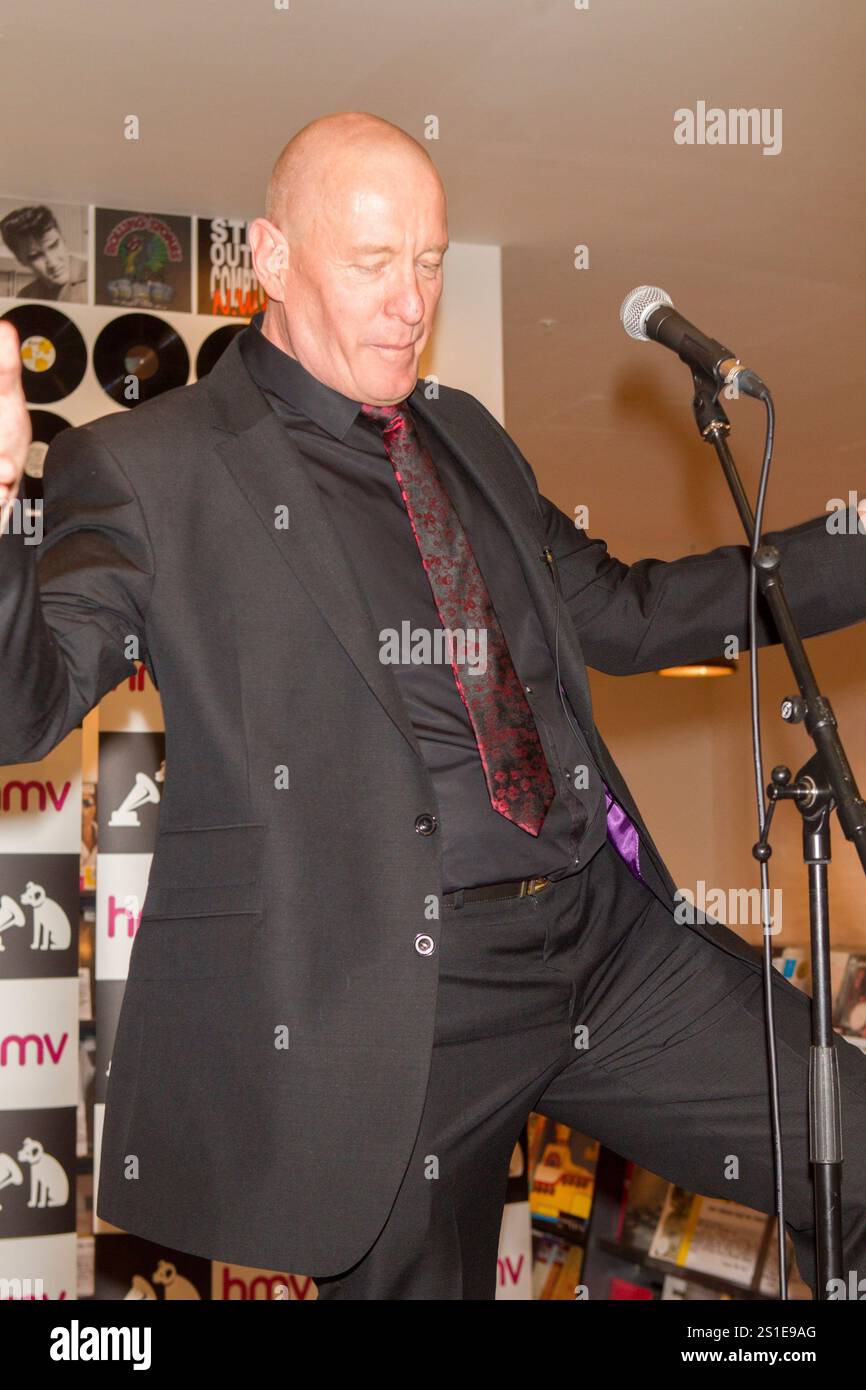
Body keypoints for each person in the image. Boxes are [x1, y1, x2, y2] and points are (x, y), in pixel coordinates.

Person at [1, 112, 865, 1301]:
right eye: (370, 264)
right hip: (394, 1004)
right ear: (269, 258)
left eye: (428, 261)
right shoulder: (151, 467)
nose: (410, 302)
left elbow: (631, 614)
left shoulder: (463, 434)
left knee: (849, 1143)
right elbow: (25, 703)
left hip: (603, 942)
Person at [0, 204, 88, 302]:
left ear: (63, 238)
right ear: (21, 260)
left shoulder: (99, 278)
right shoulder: (25, 296)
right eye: (36, 256)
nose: (53, 263)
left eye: (54, 245)